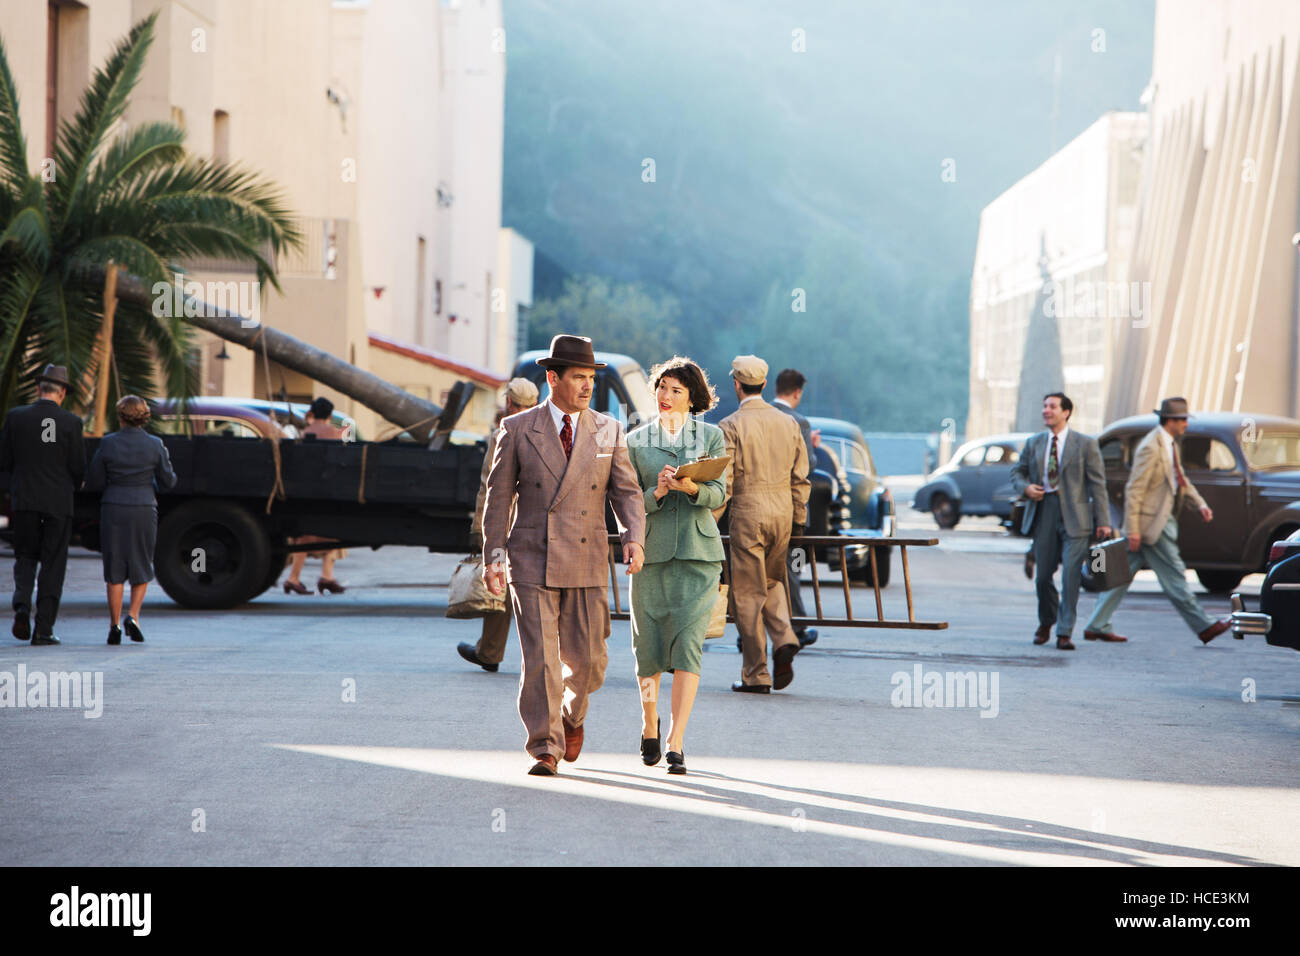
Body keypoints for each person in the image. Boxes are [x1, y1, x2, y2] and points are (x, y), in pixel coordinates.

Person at [481, 334, 646, 776]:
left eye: (591, 378)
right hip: (531, 556)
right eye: (578, 377)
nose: (588, 386)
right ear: (552, 378)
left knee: (590, 661)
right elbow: (498, 500)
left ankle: (573, 716)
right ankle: (545, 747)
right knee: (541, 660)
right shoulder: (517, 429)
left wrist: (634, 536)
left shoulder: (609, 429)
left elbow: (626, 491)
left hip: (588, 557)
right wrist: (494, 555)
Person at [626, 357, 726, 775]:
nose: (666, 396)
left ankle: (676, 741)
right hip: (650, 556)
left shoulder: (712, 436)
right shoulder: (634, 441)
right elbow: (626, 502)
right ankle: (650, 723)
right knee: (647, 649)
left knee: (688, 646)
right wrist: (660, 491)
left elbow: (719, 493)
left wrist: (692, 487)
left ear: (692, 398)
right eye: (662, 387)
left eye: (676, 390)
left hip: (700, 558)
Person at [1083, 398, 1232, 644]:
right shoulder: (1150, 447)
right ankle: (1204, 626)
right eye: (1182, 419)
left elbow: (1180, 479)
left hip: (1157, 521)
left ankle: (1096, 625)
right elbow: (1134, 490)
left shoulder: (1169, 444)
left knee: (1119, 576)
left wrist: (1200, 504)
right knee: (1174, 575)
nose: (1186, 424)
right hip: (1153, 525)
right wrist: (1132, 530)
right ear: (1170, 421)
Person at [718, 355, 810, 692]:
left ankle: (755, 674)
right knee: (772, 581)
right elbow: (801, 478)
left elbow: (724, 484)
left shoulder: (730, 425)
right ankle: (784, 638)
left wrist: (711, 522)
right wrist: (798, 520)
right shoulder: (789, 424)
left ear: (737, 385)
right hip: (783, 513)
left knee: (746, 594)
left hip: (748, 512)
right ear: (765, 385)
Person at [1010, 392, 1111, 650]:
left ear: (1066, 412)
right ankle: (1046, 621)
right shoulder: (1034, 443)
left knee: (1070, 578)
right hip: (1044, 512)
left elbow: (1097, 484)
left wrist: (1103, 520)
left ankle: (1064, 631)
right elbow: (1017, 472)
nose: (1047, 411)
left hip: (1076, 518)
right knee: (1043, 577)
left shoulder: (1086, 444)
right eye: (1044, 406)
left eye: (1052, 407)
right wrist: (1026, 488)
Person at [458, 377, 540, 672]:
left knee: (498, 588)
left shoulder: (503, 433)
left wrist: (480, 528)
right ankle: (544, 658)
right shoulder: (547, 430)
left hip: (506, 523)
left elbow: (490, 487)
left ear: (508, 403)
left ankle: (490, 652)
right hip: (538, 522)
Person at [0, 365, 86, 645]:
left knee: (25, 556)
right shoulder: (71, 422)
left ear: (39, 389)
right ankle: (44, 629)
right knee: (53, 564)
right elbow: (77, 466)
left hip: (25, 500)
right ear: (62, 393)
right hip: (58, 503)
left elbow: (5, 461)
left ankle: (22, 605)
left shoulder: (15, 417)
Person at [83, 395, 177, 645]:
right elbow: (169, 481)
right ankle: (133, 617)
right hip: (144, 507)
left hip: (113, 506)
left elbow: (95, 480)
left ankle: (113, 625)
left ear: (120, 416)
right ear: (144, 417)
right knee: (142, 563)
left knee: (114, 568)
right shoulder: (155, 444)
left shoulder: (108, 443)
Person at [772, 367, 818, 648]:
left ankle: (748, 634)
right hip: (792, 513)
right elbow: (808, 466)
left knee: (758, 576)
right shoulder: (799, 422)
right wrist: (813, 446)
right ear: (797, 392)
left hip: (757, 512)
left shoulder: (762, 417)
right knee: (794, 569)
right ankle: (798, 626)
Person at [282, 397, 347, 594]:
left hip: (304, 491)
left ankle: (294, 578)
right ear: (329, 414)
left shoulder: (305, 433)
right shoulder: (333, 433)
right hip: (325, 491)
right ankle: (326, 576)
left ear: (313, 413)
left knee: (305, 537)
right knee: (335, 532)